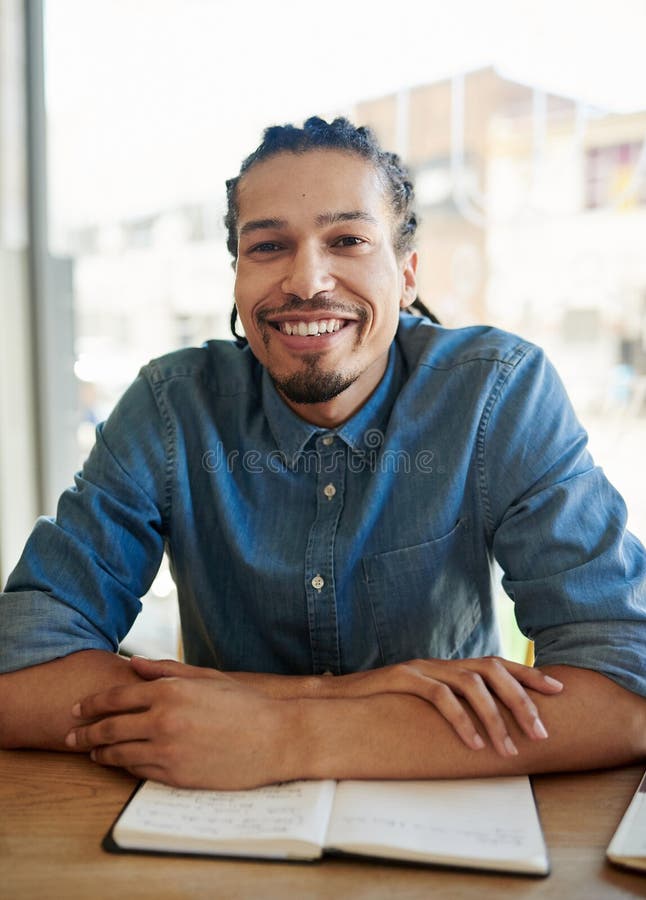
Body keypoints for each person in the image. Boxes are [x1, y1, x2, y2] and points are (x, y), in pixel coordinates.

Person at [1, 117, 645, 790]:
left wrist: (286, 735)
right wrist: (371, 697)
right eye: (269, 246)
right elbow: (19, 673)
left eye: (347, 240)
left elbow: (626, 690)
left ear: (405, 274)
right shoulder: (171, 405)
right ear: (237, 279)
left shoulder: (497, 393)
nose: (307, 280)